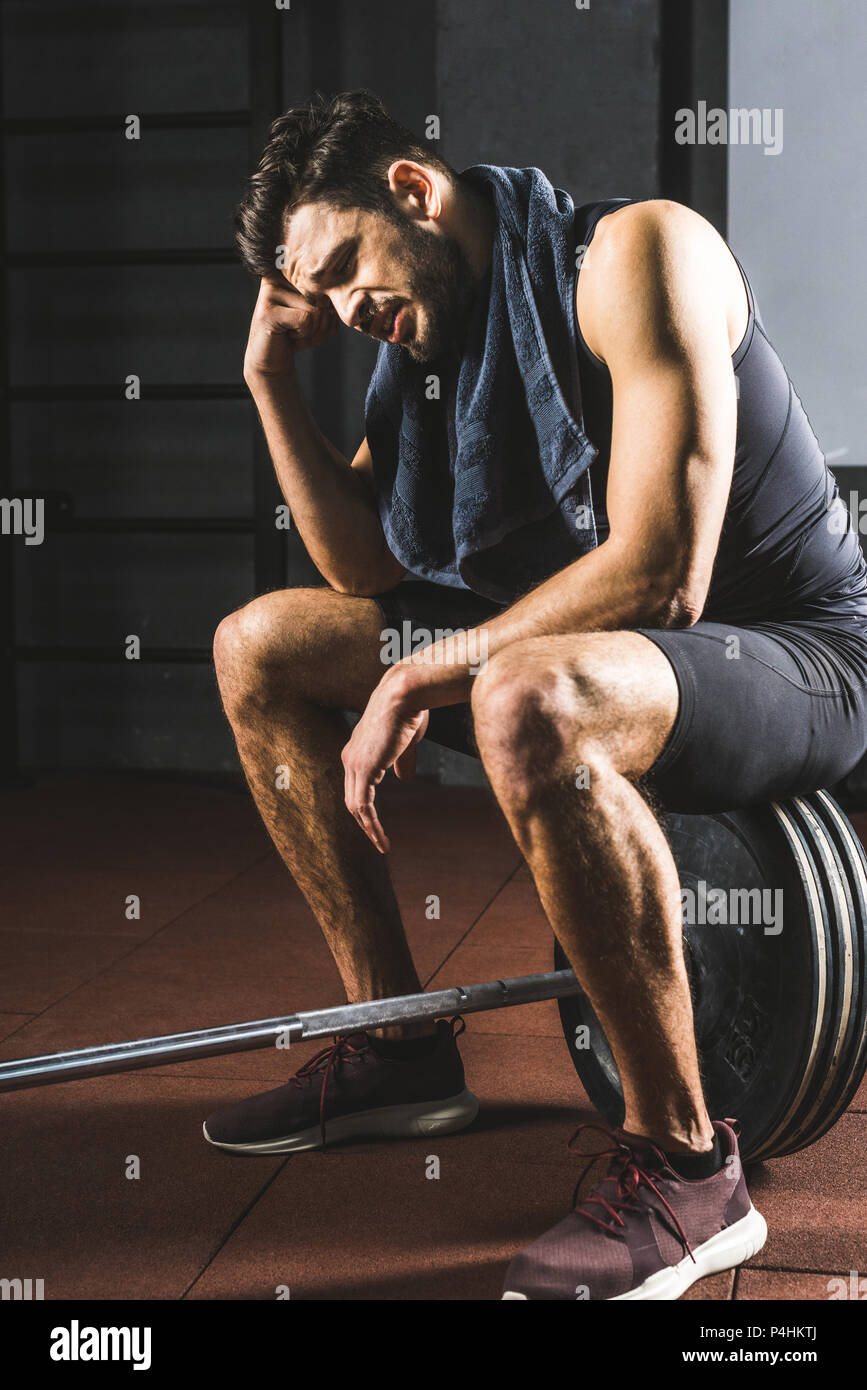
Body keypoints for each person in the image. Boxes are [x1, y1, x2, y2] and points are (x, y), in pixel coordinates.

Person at [203, 90, 867, 1300]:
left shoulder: (637, 254)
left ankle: (688, 1171)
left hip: (795, 648)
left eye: (349, 265)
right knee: (258, 645)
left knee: (522, 696)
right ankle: (399, 1044)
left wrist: (431, 665)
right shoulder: (425, 352)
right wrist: (267, 380)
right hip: (622, 645)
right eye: (322, 297)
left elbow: (667, 570)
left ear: (413, 190)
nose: (347, 312)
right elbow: (361, 564)